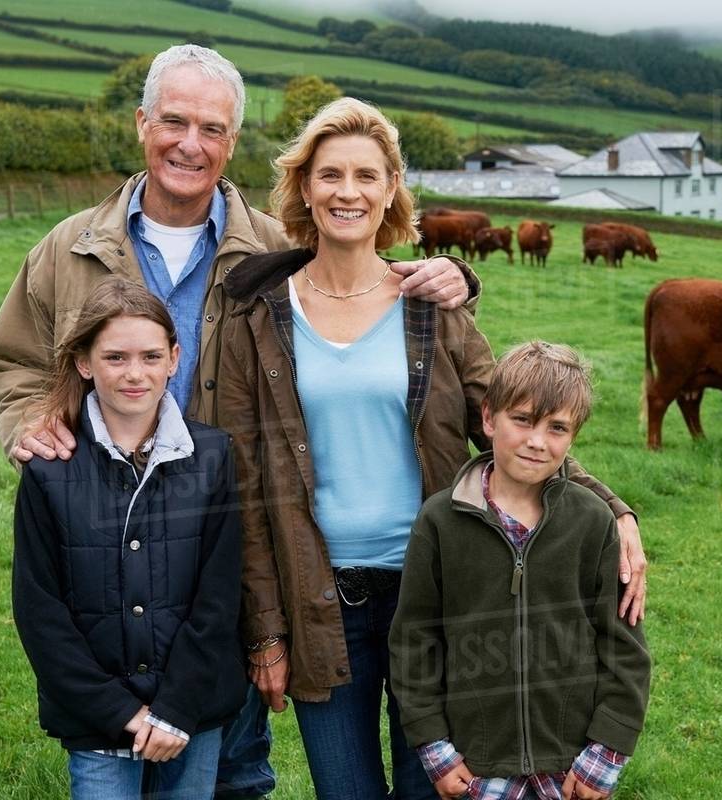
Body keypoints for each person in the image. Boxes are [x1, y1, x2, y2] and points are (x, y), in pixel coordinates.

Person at [0, 45, 476, 798]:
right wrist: (25, 421)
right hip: (108, 530)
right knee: (112, 732)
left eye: (211, 127)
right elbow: (13, 358)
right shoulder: (69, 249)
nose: (190, 142)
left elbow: (361, 270)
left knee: (235, 747)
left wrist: (458, 276)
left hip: (233, 530)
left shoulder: (274, 249)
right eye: (173, 121)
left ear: (233, 141)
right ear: (142, 123)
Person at [216, 96, 646, 800]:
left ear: (391, 191)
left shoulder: (431, 305)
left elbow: (509, 425)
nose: (346, 192)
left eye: (366, 175)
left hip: (443, 594)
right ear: (304, 188)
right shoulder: (260, 317)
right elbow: (249, 485)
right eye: (329, 175)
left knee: (439, 790)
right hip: (322, 599)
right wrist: (265, 630)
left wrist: (612, 506)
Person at [11, 278, 246, 799]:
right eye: (115, 358)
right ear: (84, 363)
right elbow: (39, 609)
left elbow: (220, 597)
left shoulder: (212, 457)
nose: (134, 374)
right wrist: (121, 712)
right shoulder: (49, 469)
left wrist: (175, 709)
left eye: (150, 356)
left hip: (191, 713)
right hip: (97, 721)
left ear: (174, 358)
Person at [390, 341, 651, 800]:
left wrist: (604, 755)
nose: (537, 441)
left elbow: (625, 650)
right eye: (523, 419)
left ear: (573, 437)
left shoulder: (593, 523)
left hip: (571, 769)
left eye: (557, 428)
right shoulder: (440, 521)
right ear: (489, 418)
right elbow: (415, 642)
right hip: (475, 767)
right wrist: (436, 750)